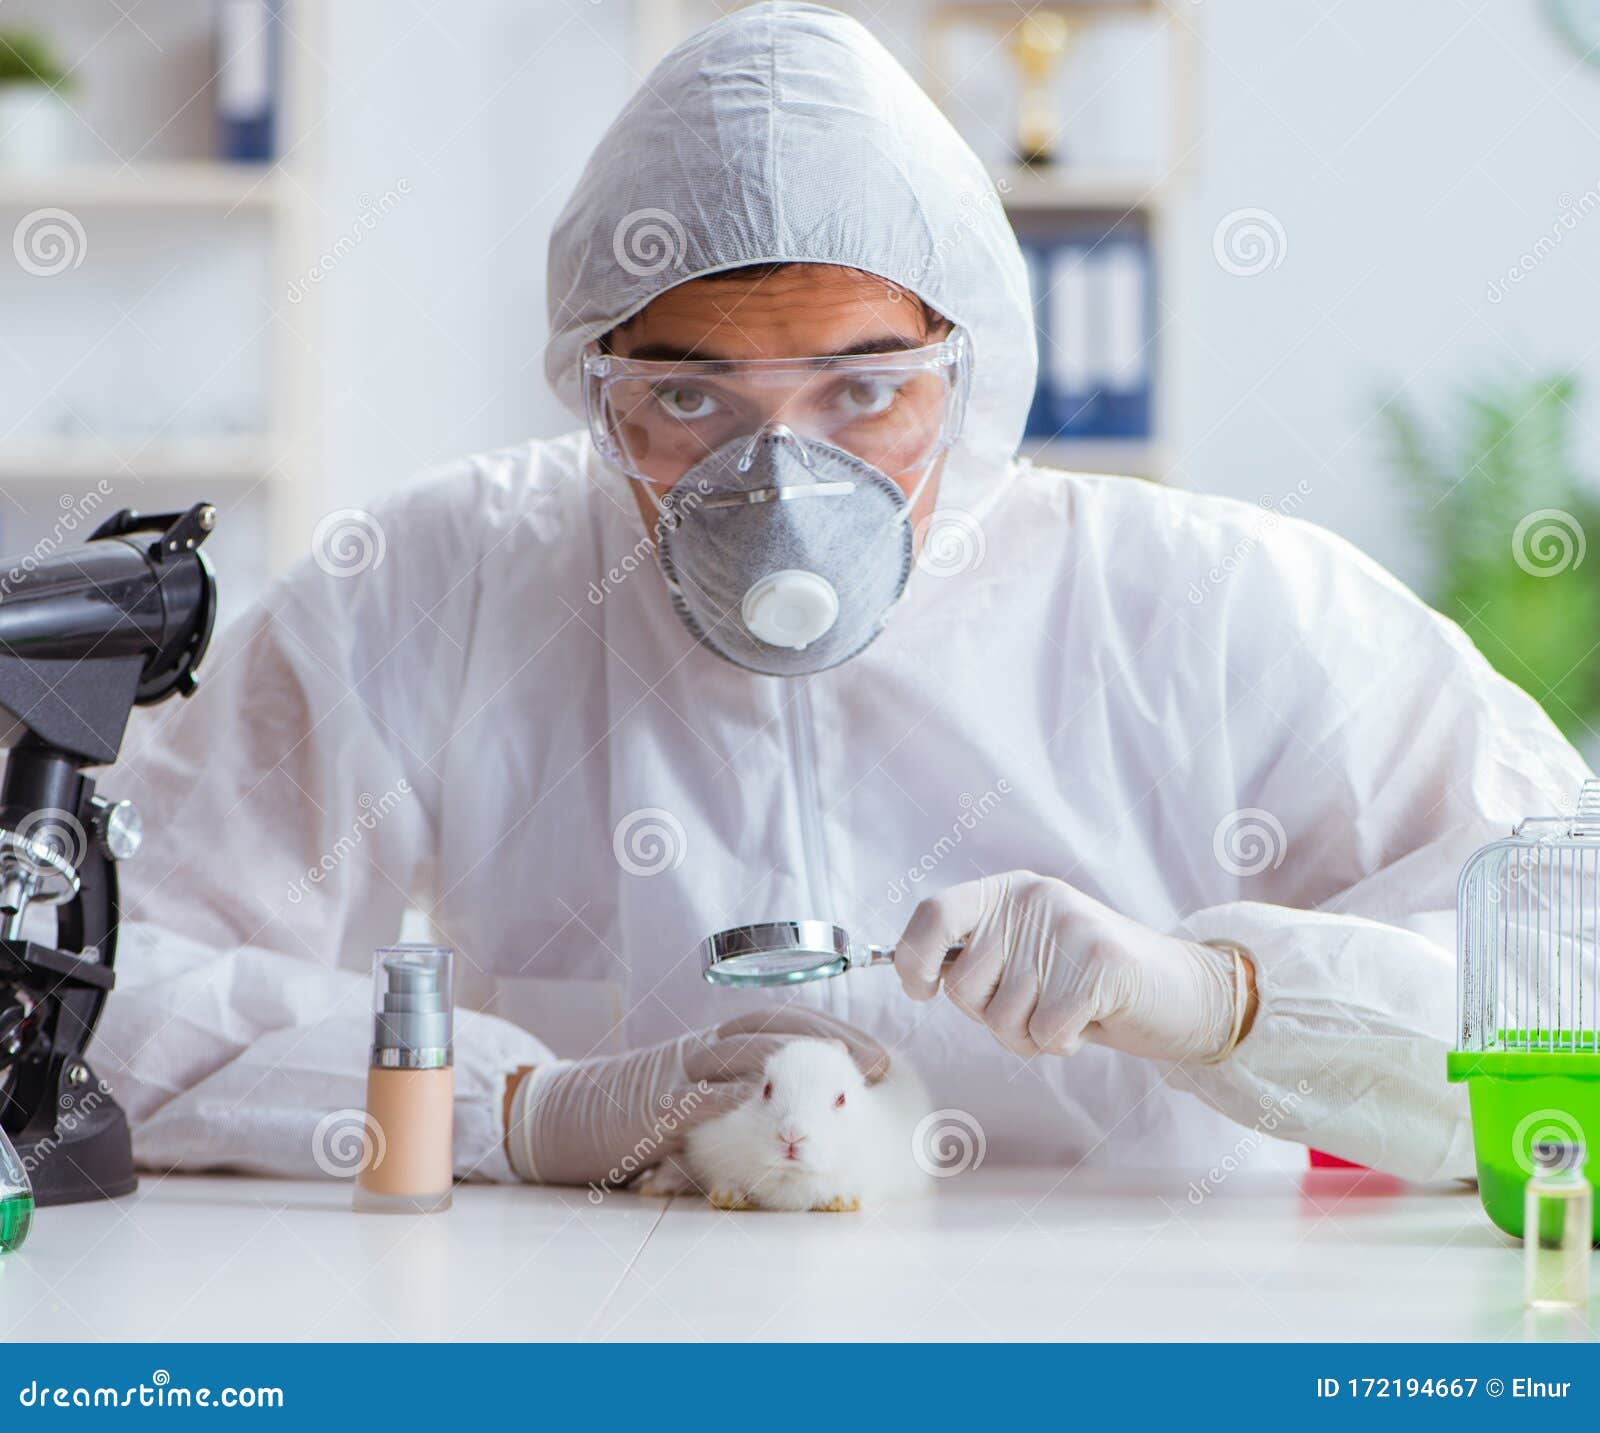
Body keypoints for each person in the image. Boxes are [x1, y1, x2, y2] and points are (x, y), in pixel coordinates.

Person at [102, 3, 1586, 1191]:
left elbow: (1564, 979)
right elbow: (91, 993)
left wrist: (1221, 998)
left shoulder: (1213, 609)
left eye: (867, 388)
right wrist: (511, 1103)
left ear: (973, 370)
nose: (777, 475)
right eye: (686, 397)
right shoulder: (439, 582)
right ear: (592, 389)